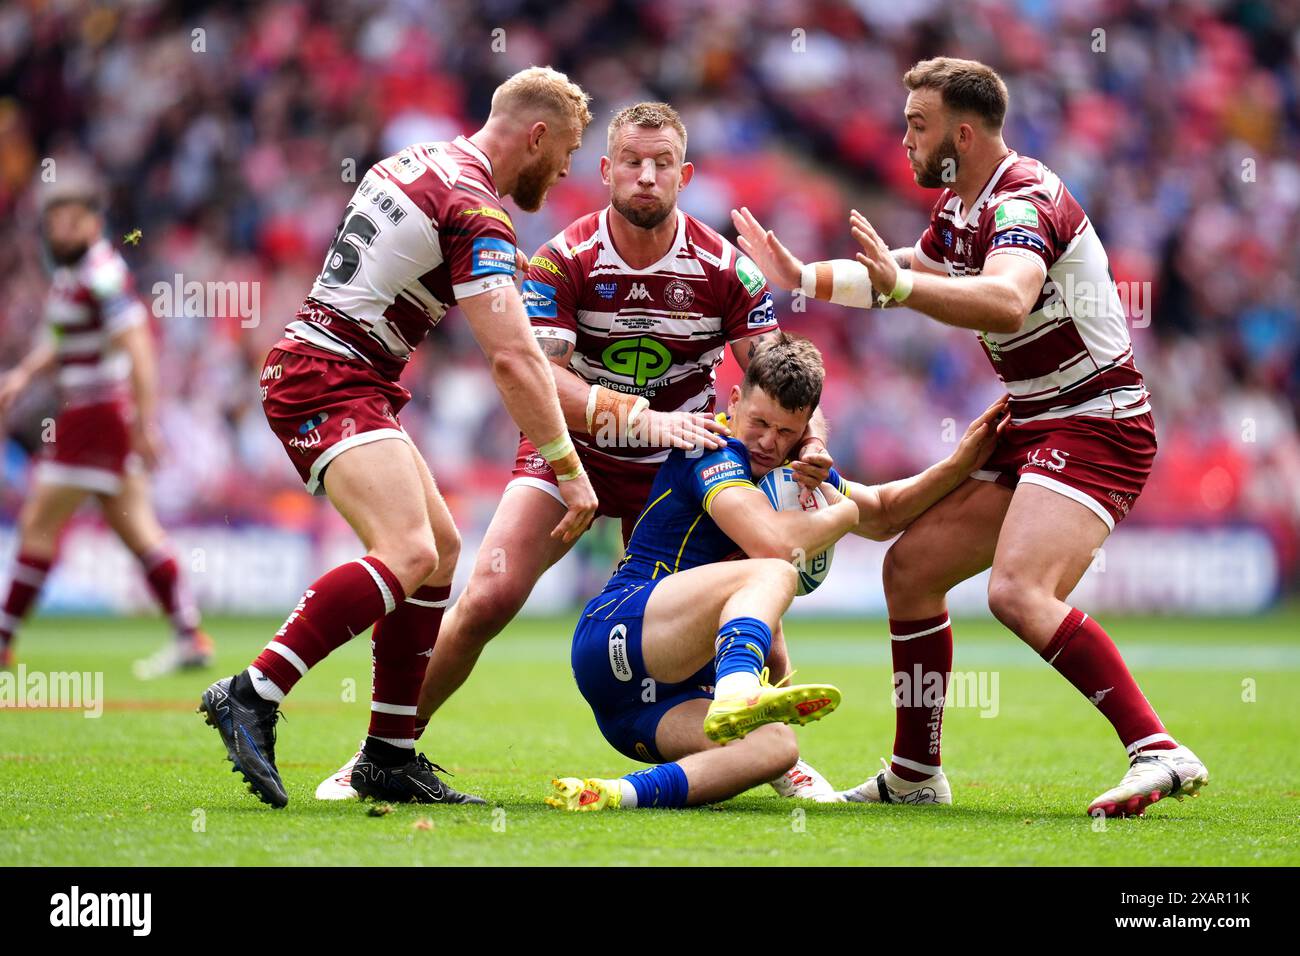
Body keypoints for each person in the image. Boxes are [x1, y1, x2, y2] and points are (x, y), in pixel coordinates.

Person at [315, 102, 840, 803]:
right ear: (606, 170)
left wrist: (815, 444)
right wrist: (638, 418)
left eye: (661, 165)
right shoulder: (565, 259)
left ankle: (780, 761)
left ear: (684, 175)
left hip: (678, 471)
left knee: (755, 595)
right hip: (574, 455)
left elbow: (783, 381)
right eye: (632, 162)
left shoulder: (726, 271)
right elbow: (544, 382)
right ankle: (379, 753)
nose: (646, 177)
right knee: (487, 598)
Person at [732, 57, 1208, 818]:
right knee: (911, 570)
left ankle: (1157, 749)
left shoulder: (1024, 199)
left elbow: (1007, 300)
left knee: (1018, 592)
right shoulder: (962, 208)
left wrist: (899, 285)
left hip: (1096, 420)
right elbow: (910, 267)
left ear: (961, 132)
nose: (904, 139)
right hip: (1034, 419)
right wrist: (807, 277)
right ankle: (915, 774)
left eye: (917, 126)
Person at [198, 66, 599, 809]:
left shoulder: (414, 160)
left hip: (342, 371)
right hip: (328, 378)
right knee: (409, 550)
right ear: (536, 136)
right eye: (569, 149)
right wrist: (566, 466)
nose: (570, 167)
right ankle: (253, 691)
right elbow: (508, 357)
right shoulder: (476, 207)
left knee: (441, 550)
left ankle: (389, 753)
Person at [547, 334, 1005, 811]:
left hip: (644, 707)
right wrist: (842, 516)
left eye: (787, 432)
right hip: (618, 633)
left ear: (807, 427)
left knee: (776, 747)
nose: (769, 442)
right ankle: (738, 688)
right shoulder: (712, 446)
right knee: (772, 569)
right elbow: (774, 544)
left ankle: (617, 793)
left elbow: (887, 513)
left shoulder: (791, 466)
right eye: (760, 422)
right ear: (735, 399)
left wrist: (959, 464)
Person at [0, 169, 211, 677]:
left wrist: (144, 422)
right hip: (99, 414)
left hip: (96, 415)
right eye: (55, 222)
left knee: (38, 523)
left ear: (95, 223)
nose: (61, 231)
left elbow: (138, 345)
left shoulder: (101, 274)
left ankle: (3, 641)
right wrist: (26, 374)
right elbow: (65, 341)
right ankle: (190, 635)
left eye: (73, 220)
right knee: (137, 528)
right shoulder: (76, 277)